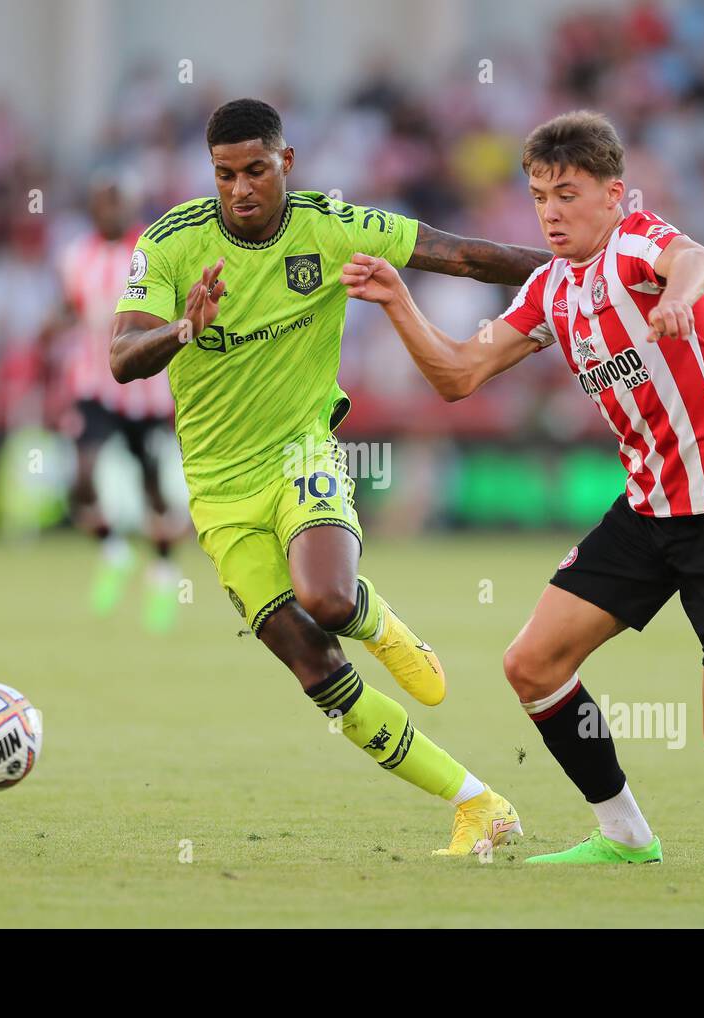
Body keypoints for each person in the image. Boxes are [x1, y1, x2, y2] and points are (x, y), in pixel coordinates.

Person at [341, 109, 704, 866]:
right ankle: (625, 835)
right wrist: (399, 301)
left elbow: (695, 257)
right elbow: (459, 374)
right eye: (538, 197)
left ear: (613, 194)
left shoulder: (638, 247)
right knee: (532, 665)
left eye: (567, 193)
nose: (551, 212)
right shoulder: (549, 290)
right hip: (650, 513)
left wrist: (680, 296)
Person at [111, 99, 549, 854]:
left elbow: (464, 256)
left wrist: (596, 273)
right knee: (316, 669)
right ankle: (477, 802)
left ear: (286, 163)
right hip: (217, 490)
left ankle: (377, 619)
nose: (240, 188)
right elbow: (121, 359)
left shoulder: (334, 224)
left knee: (328, 597)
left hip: (299, 455)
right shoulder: (173, 242)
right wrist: (186, 327)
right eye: (224, 175)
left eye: (255, 170)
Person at [55, 175, 181, 628]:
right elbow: (72, 306)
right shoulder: (76, 255)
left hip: (144, 390)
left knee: (153, 490)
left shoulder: (151, 252)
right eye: (102, 203)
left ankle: (165, 572)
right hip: (94, 384)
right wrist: (51, 330)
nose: (110, 210)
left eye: (117, 202)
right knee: (82, 477)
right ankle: (114, 549)